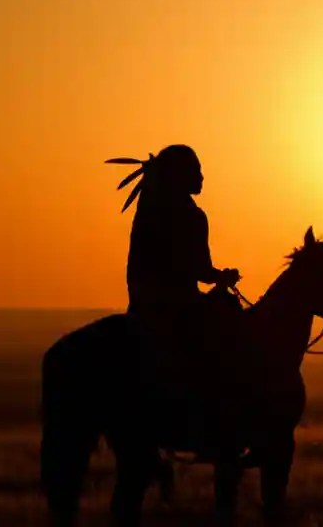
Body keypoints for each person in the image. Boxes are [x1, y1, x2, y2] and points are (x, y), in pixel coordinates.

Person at [107, 145, 241, 450]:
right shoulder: (191, 216)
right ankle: (217, 424)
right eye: (196, 171)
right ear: (181, 176)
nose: (202, 177)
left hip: (142, 306)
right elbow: (199, 269)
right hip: (179, 306)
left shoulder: (149, 210)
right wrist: (222, 278)